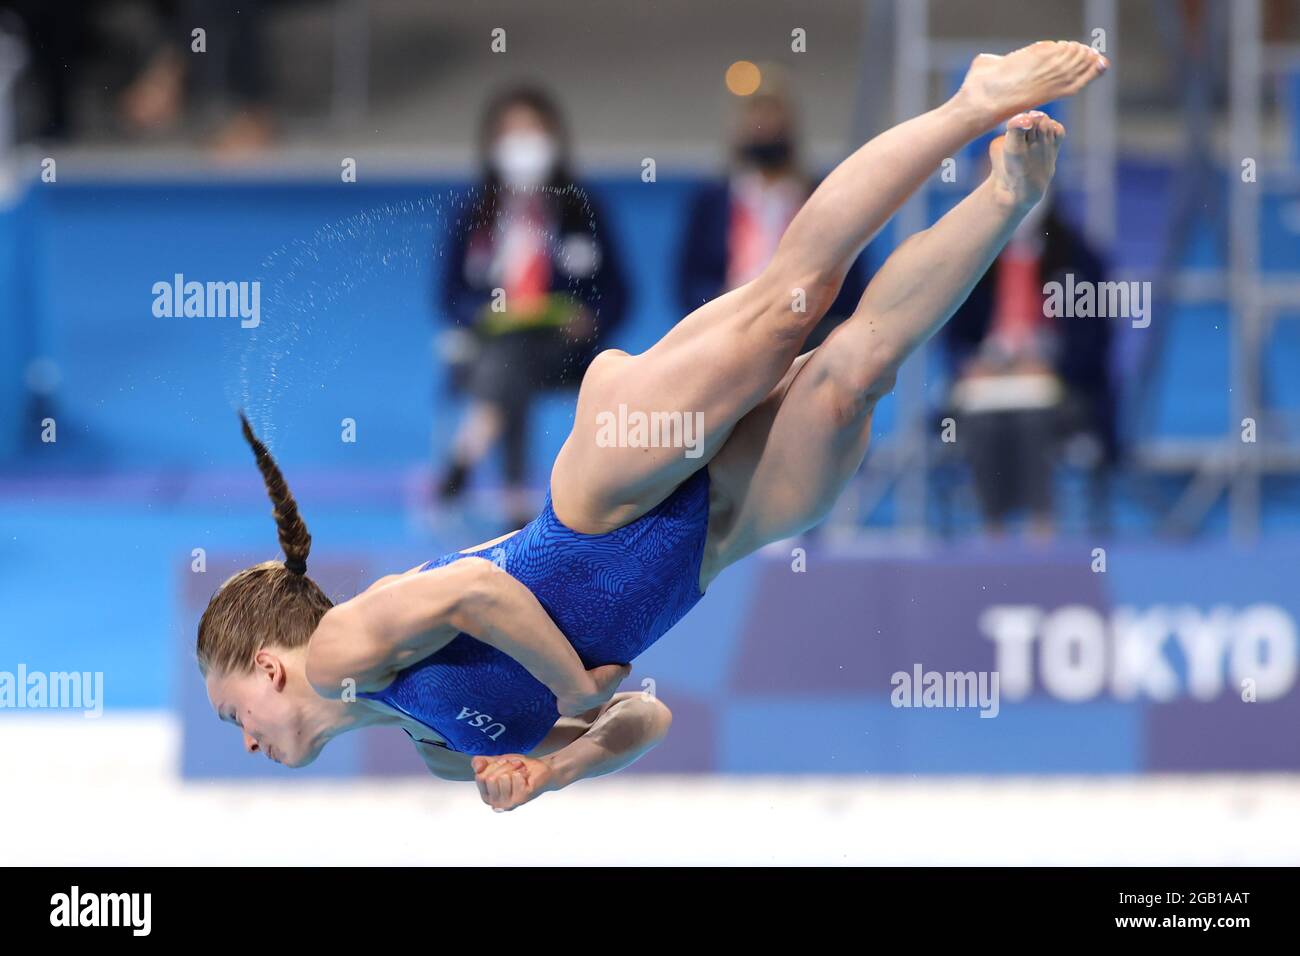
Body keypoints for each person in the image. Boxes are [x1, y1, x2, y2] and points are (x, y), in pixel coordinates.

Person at [199, 42, 1107, 811]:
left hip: (602, 496)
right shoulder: (438, 747)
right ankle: (1002, 200)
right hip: (701, 549)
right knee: (855, 373)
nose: (243, 741)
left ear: (269, 669)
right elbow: (644, 717)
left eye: (232, 713)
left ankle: (970, 98)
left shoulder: (341, 647)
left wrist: (564, 683)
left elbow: (474, 591)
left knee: (793, 302)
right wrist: (555, 770)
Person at [434, 85, 628, 530]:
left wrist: (590, 316)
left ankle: (472, 463)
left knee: (508, 366)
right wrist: (480, 315)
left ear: (555, 138)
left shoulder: (583, 208)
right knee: (507, 363)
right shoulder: (472, 212)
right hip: (490, 348)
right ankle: (516, 506)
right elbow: (449, 295)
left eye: (533, 131)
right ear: (492, 142)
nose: (522, 143)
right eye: (511, 132)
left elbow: (617, 291)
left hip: (563, 350)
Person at [942, 194, 1114, 536]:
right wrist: (972, 364)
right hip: (987, 386)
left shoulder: (1077, 255)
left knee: (1034, 420)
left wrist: (1054, 367)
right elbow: (953, 333)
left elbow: (1094, 338)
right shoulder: (971, 257)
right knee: (981, 423)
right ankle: (993, 531)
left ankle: (1041, 529)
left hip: (1061, 389)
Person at [678, 69, 868, 351]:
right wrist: (717, 309)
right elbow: (691, 278)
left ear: (790, 122)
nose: (765, 124)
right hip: (729, 332)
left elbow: (850, 276)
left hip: (806, 335)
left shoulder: (820, 195)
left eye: (773, 113)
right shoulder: (714, 199)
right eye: (756, 114)